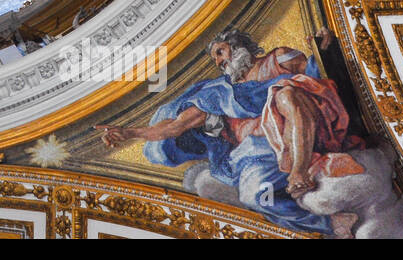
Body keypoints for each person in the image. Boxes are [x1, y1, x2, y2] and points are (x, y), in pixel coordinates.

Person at [96, 28, 366, 235]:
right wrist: (131, 133)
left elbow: (316, 73)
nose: (219, 62)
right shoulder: (219, 94)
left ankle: (299, 169)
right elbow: (175, 126)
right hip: (261, 154)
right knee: (255, 197)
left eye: (221, 52)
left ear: (238, 47)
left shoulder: (278, 59)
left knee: (285, 95)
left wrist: (325, 49)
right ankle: (331, 223)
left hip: (305, 128)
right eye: (216, 58)